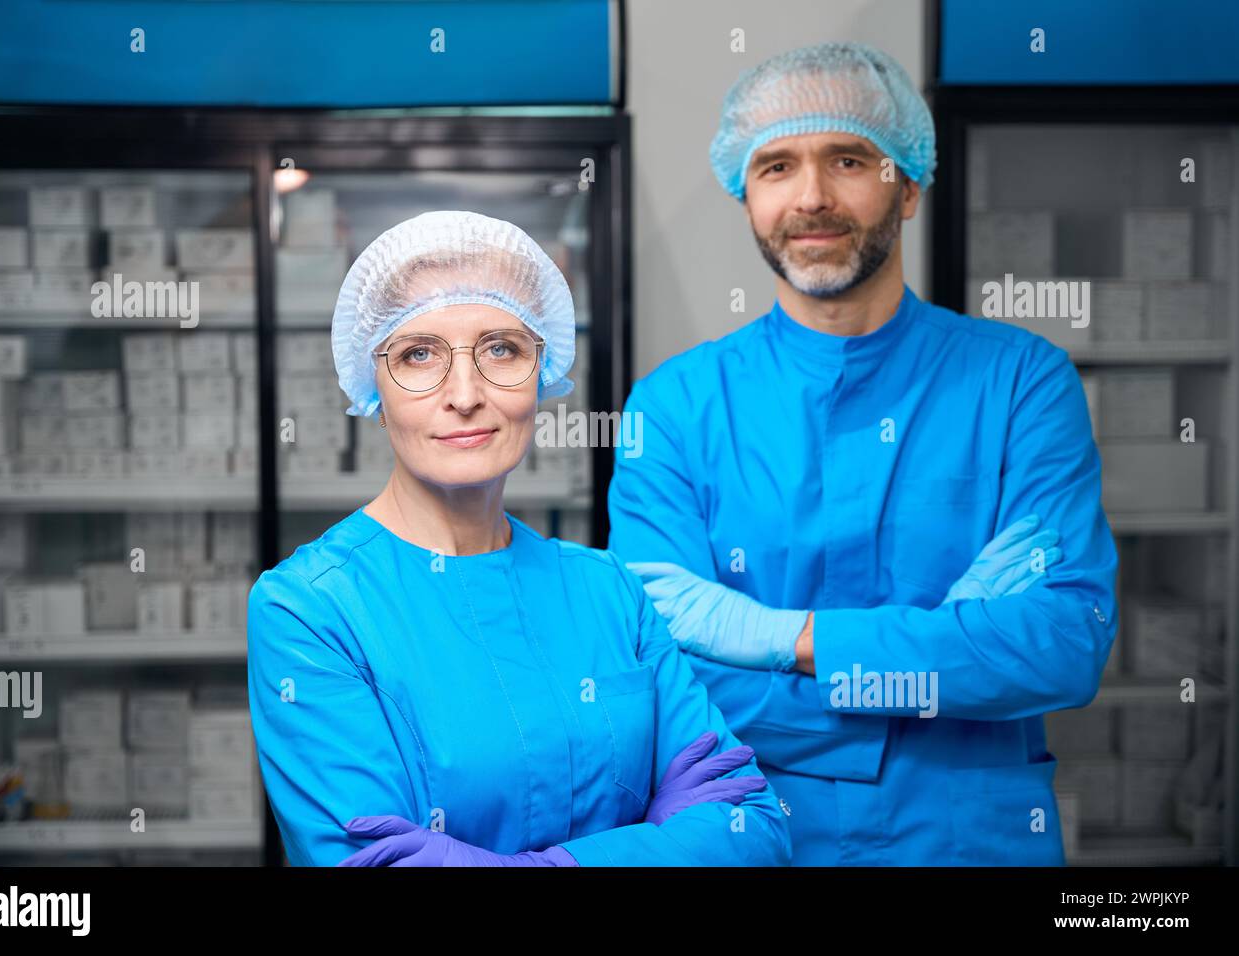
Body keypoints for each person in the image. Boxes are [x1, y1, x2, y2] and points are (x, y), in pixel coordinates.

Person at [608, 43, 1119, 865]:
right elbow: (667, 684)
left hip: (970, 841)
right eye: (776, 166)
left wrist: (782, 638)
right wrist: (951, 645)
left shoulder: (1022, 382)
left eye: (848, 159)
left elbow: (1061, 646)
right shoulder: (675, 407)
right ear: (745, 195)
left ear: (908, 183)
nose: (811, 198)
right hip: (755, 832)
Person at [247, 210, 791, 867]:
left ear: (544, 368)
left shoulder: (608, 590)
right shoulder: (309, 610)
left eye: (501, 348)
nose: (466, 394)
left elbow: (750, 828)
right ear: (372, 385)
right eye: (419, 354)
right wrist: (657, 841)